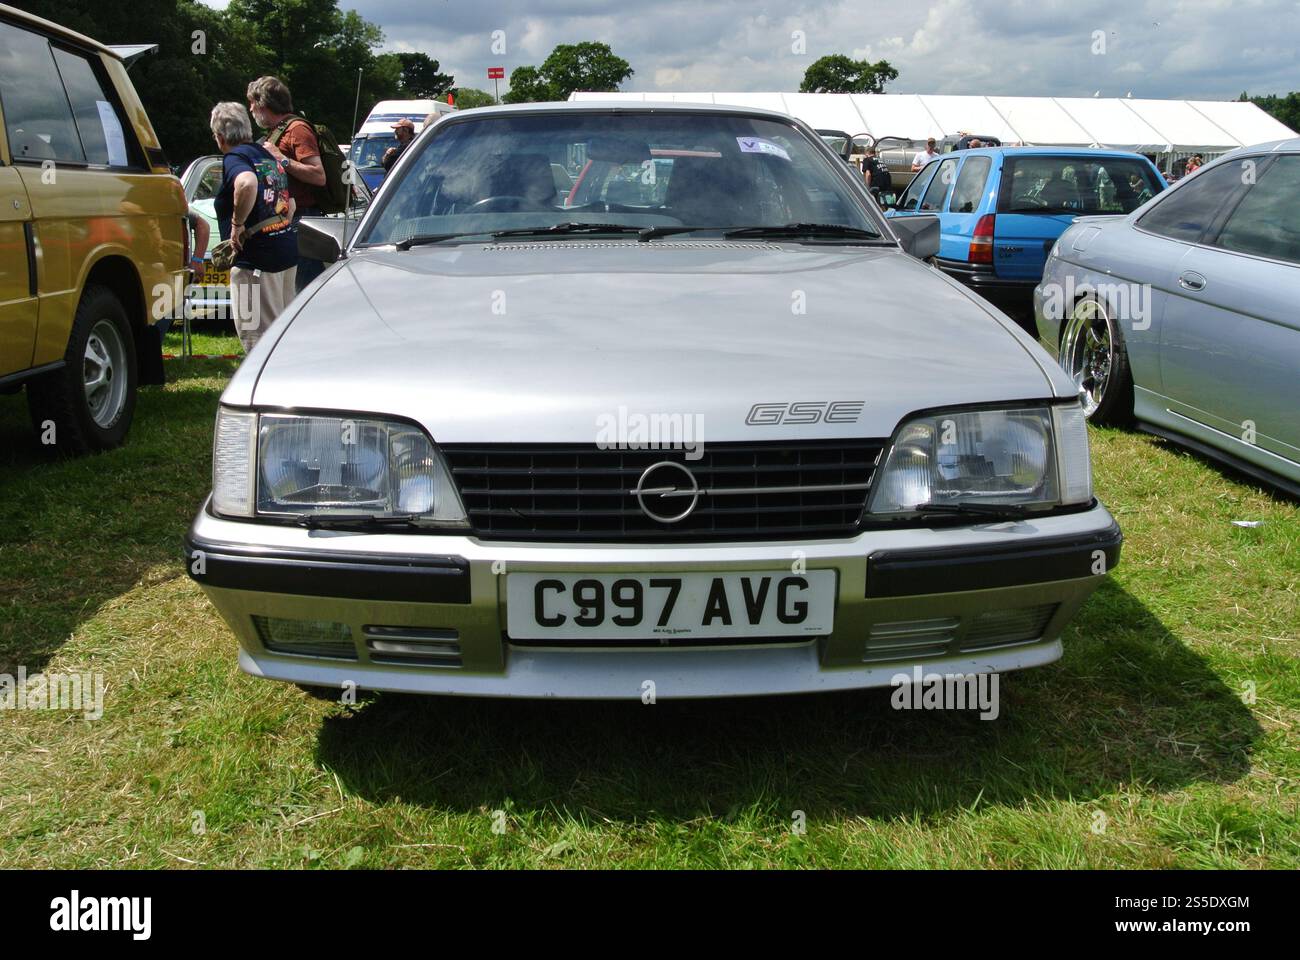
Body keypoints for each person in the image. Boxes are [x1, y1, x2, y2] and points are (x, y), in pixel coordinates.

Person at [209, 101, 296, 353]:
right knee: (282, 336)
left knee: (258, 342)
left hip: (256, 263)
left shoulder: (236, 157)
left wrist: (236, 225)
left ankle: (263, 391)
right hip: (284, 252)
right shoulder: (267, 154)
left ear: (220, 137)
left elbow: (246, 184)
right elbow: (289, 204)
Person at [246, 76, 325, 294]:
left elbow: (319, 176)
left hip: (302, 220)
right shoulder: (276, 131)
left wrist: (282, 158)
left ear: (263, 103)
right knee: (288, 291)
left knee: (304, 290)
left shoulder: (297, 129)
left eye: (252, 103)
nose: (250, 109)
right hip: (284, 220)